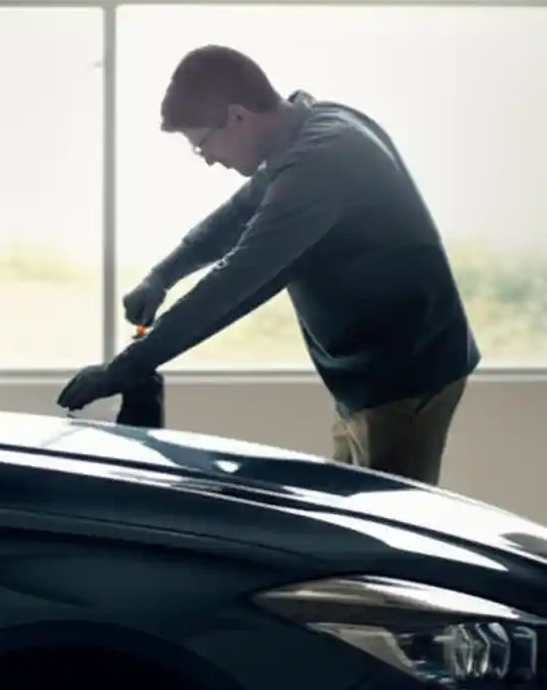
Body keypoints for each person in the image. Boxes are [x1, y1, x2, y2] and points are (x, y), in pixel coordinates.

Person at [56, 45, 480, 486]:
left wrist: (124, 367)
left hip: (406, 376)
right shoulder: (302, 135)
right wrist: (161, 276)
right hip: (365, 377)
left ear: (238, 116)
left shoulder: (324, 159)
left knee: (387, 534)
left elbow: (239, 279)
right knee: (347, 519)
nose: (207, 159)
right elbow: (238, 216)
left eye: (202, 143)